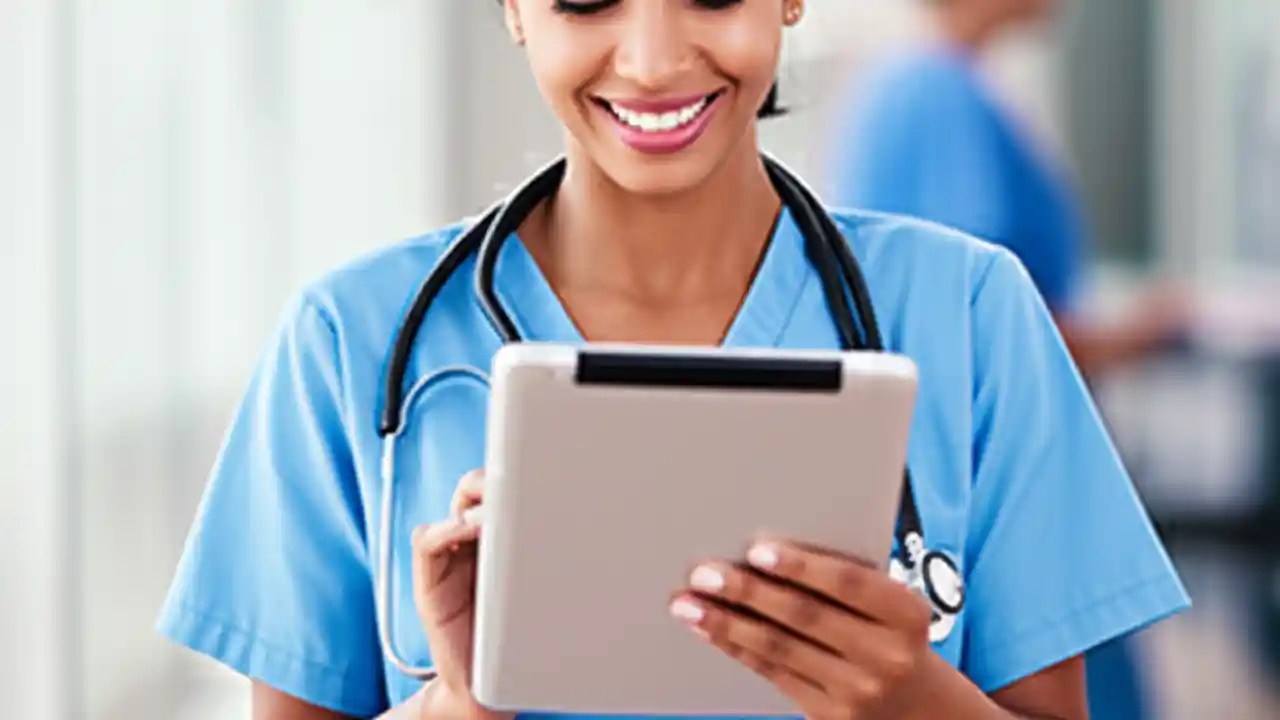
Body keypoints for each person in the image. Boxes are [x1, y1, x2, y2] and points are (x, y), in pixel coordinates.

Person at [156, 1, 1190, 718]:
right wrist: (455, 708)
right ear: (513, 7)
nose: (651, 61)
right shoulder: (350, 343)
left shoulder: (970, 312)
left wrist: (909, 702)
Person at [826, 0, 1189, 716]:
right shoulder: (934, 101)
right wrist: (1144, 333)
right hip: (979, 495)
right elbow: (966, 331)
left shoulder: (931, 90)